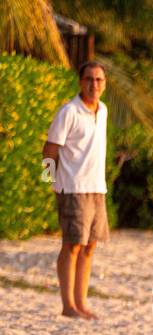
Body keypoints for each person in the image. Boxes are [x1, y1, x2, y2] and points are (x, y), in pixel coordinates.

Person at [43, 61, 109, 320]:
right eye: (89, 79)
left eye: (99, 80)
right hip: (72, 188)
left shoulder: (103, 110)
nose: (94, 84)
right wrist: (49, 182)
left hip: (97, 189)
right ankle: (68, 305)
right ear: (80, 82)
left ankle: (81, 303)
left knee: (90, 246)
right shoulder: (68, 111)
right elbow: (49, 149)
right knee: (71, 245)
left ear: (105, 84)